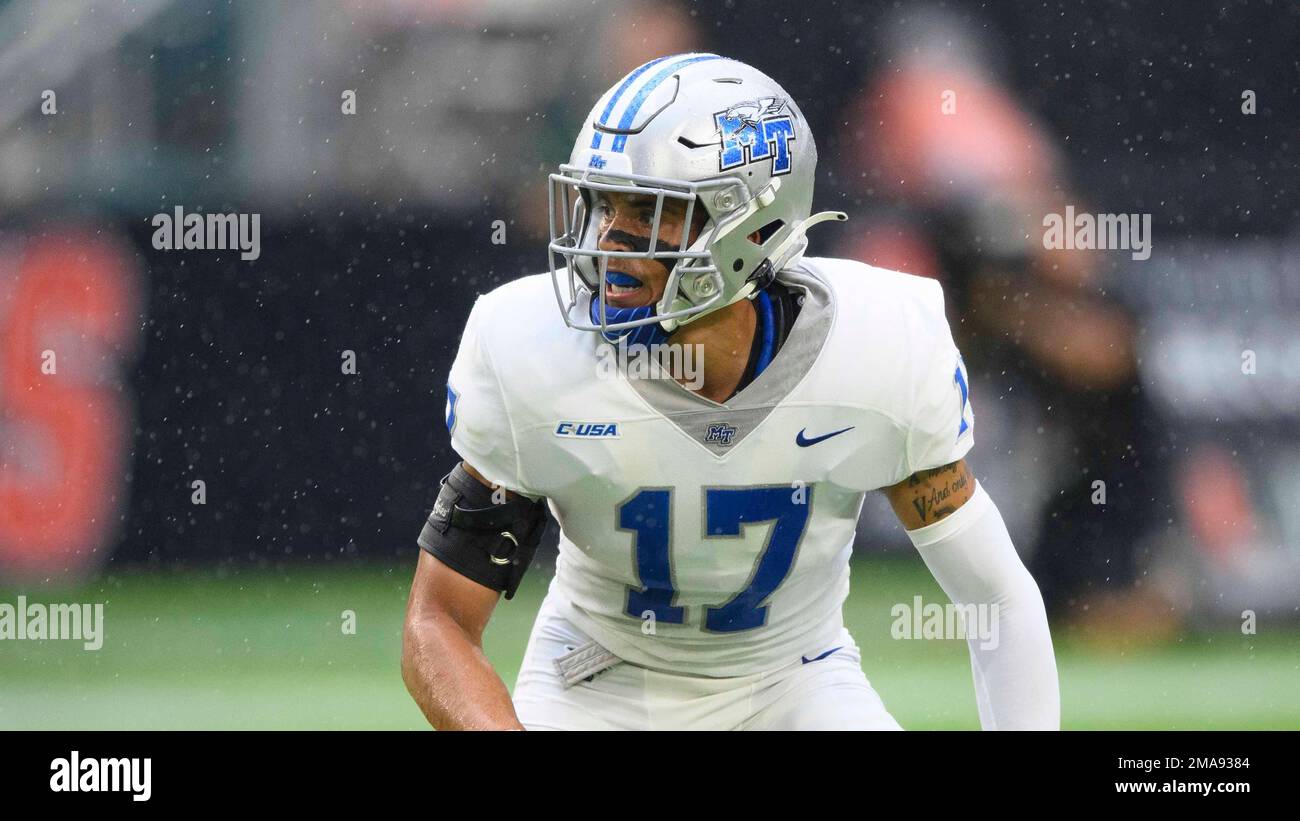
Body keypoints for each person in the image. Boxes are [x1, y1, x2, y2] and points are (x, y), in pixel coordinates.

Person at [401, 54, 1059, 730]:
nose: (606, 242)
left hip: (796, 683)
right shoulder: (532, 349)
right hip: (595, 684)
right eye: (602, 204)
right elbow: (438, 620)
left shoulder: (877, 343)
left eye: (649, 211)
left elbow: (997, 598)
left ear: (752, 225)